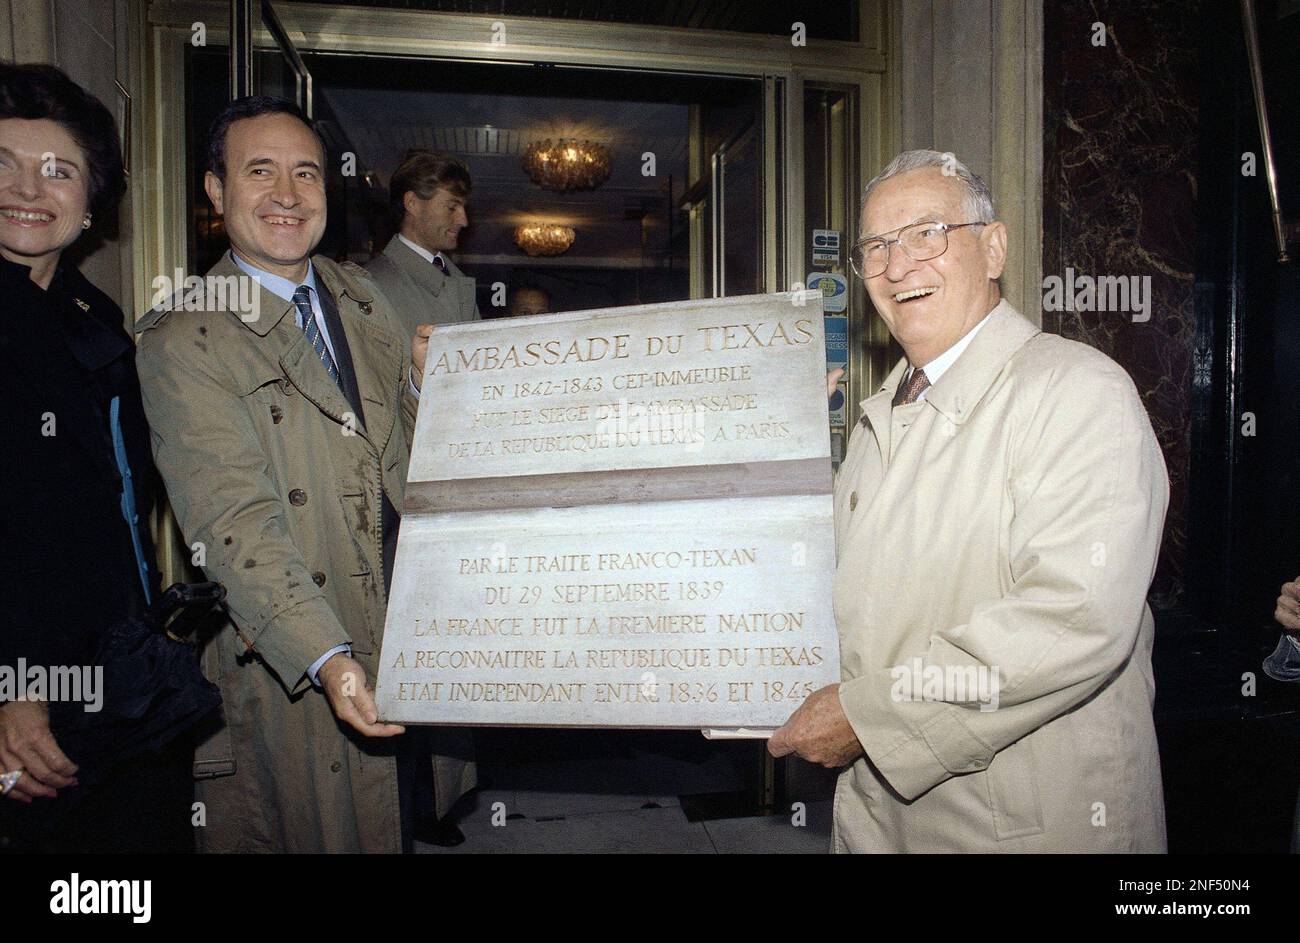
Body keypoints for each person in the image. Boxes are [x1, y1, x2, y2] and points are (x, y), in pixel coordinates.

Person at [770, 149, 1169, 853]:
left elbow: (1074, 618)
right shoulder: (878, 417)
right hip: (882, 817)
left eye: (926, 233)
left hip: (1020, 827)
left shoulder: (1077, 391)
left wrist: (869, 719)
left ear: (994, 249)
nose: (897, 266)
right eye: (875, 247)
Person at [135, 96, 466, 853]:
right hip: (294, 643)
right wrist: (326, 657)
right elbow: (232, 525)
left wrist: (421, 383)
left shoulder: (359, 296)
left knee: (397, 821)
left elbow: (399, 455)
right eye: (260, 171)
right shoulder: (186, 336)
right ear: (216, 191)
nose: (287, 194)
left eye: (306, 173)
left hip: (398, 620)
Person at [0, 63, 192, 852]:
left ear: (89, 202)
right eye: (4, 165)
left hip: (116, 672)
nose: (28, 189)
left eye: (58, 170)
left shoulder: (95, 317)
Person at [366, 149, 480, 337]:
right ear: (412, 203)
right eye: (452, 207)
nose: (463, 221)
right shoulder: (371, 284)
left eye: (462, 208)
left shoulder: (457, 279)